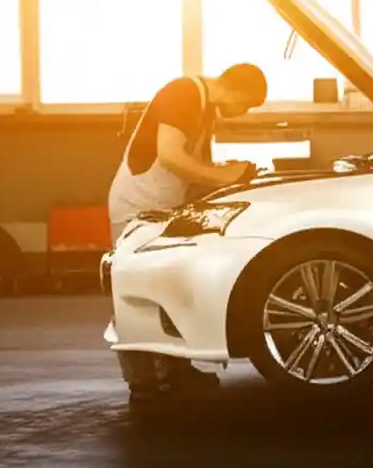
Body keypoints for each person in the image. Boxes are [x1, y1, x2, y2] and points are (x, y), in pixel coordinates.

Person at [107, 63, 268, 400]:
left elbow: (187, 166)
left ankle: (177, 371)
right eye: (249, 105)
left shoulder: (203, 108)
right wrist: (224, 177)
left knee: (167, 289)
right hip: (138, 204)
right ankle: (144, 381)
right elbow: (169, 156)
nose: (244, 113)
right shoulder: (185, 94)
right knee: (136, 295)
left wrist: (221, 171)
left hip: (160, 205)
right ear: (239, 90)